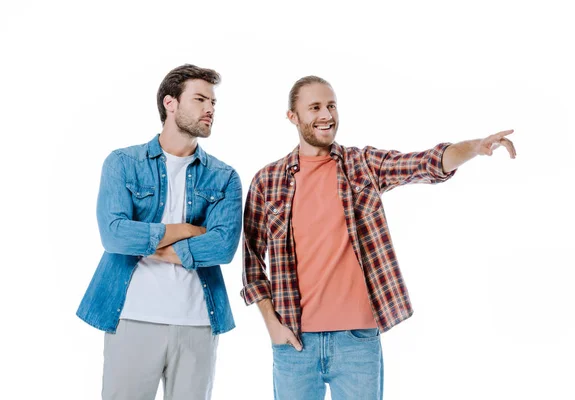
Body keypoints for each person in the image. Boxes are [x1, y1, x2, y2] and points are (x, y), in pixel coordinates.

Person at [241, 75, 516, 399]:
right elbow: (252, 261)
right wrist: (271, 323)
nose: (326, 115)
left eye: (331, 105)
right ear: (293, 116)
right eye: (315, 107)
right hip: (294, 343)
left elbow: (423, 163)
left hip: (357, 341)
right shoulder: (268, 181)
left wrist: (476, 147)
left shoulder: (362, 165)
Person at [77, 64, 242, 400]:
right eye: (199, 99)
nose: (210, 109)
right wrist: (186, 230)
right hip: (133, 317)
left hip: (198, 321)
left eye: (213, 102)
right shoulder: (122, 162)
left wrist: (156, 248)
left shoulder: (224, 177)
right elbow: (114, 235)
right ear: (170, 103)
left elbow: (223, 246)